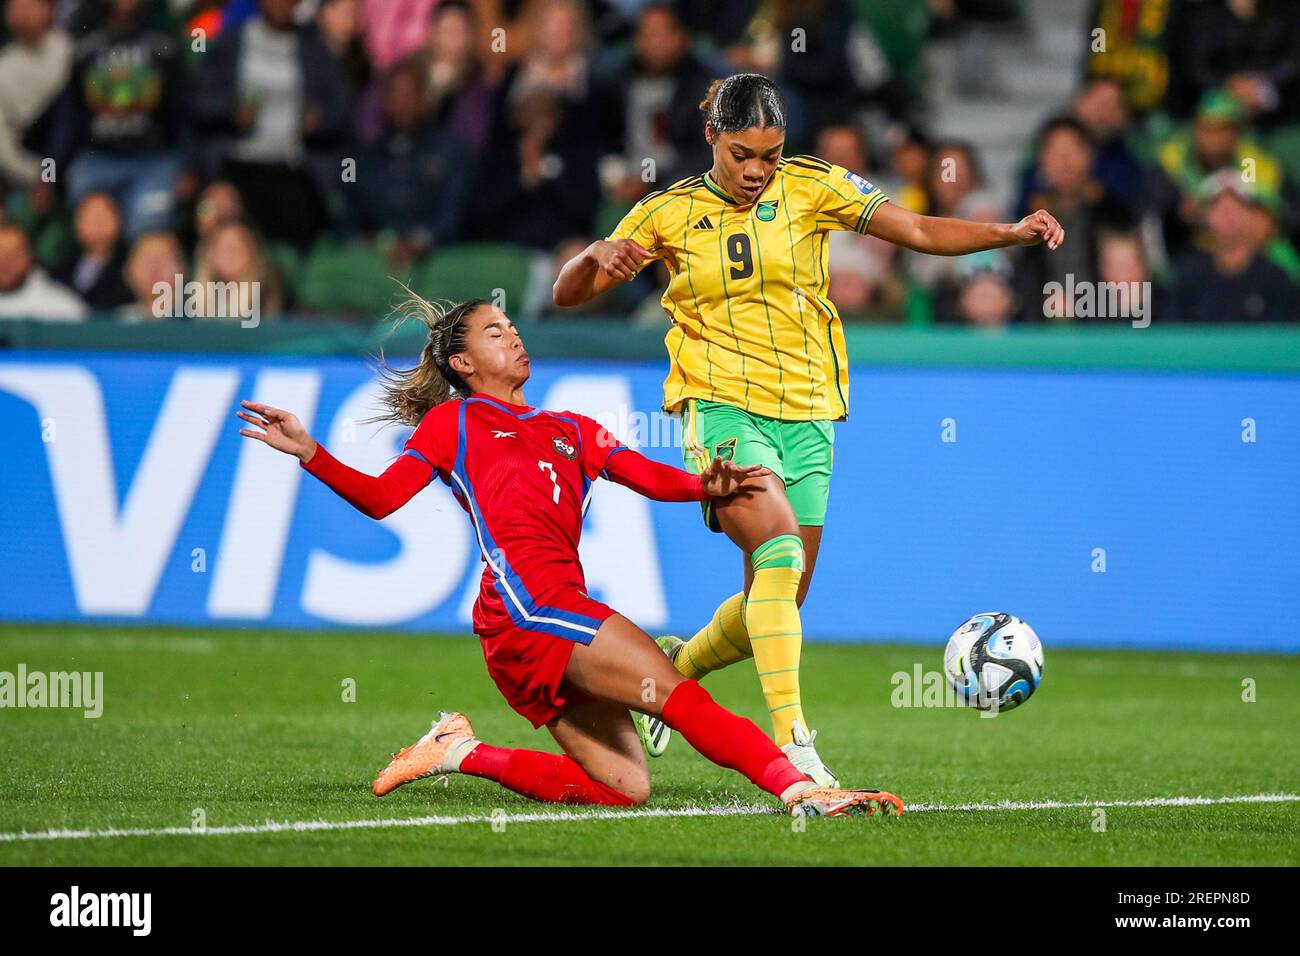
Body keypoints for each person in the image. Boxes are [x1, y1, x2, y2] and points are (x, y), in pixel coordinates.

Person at [553, 73, 1064, 785]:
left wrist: (1003, 233)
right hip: (721, 404)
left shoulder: (814, 185)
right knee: (780, 548)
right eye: (742, 154)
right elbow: (566, 295)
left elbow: (916, 229)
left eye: (770, 152)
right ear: (712, 139)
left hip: (811, 409)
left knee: (783, 593)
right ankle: (793, 745)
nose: (758, 169)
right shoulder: (667, 213)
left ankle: (672, 673)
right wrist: (590, 259)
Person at [236, 295, 904, 818]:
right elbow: (384, 499)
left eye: (511, 325)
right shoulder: (455, 423)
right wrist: (312, 454)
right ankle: (798, 789)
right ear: (462, 366)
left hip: (532, 628)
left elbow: (646, 474)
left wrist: (707, 484)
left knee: (623, 787)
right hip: (532, 608)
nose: (514, 335)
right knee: (671, 693)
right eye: (494, 332)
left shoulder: (570, 429)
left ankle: (457, 751)